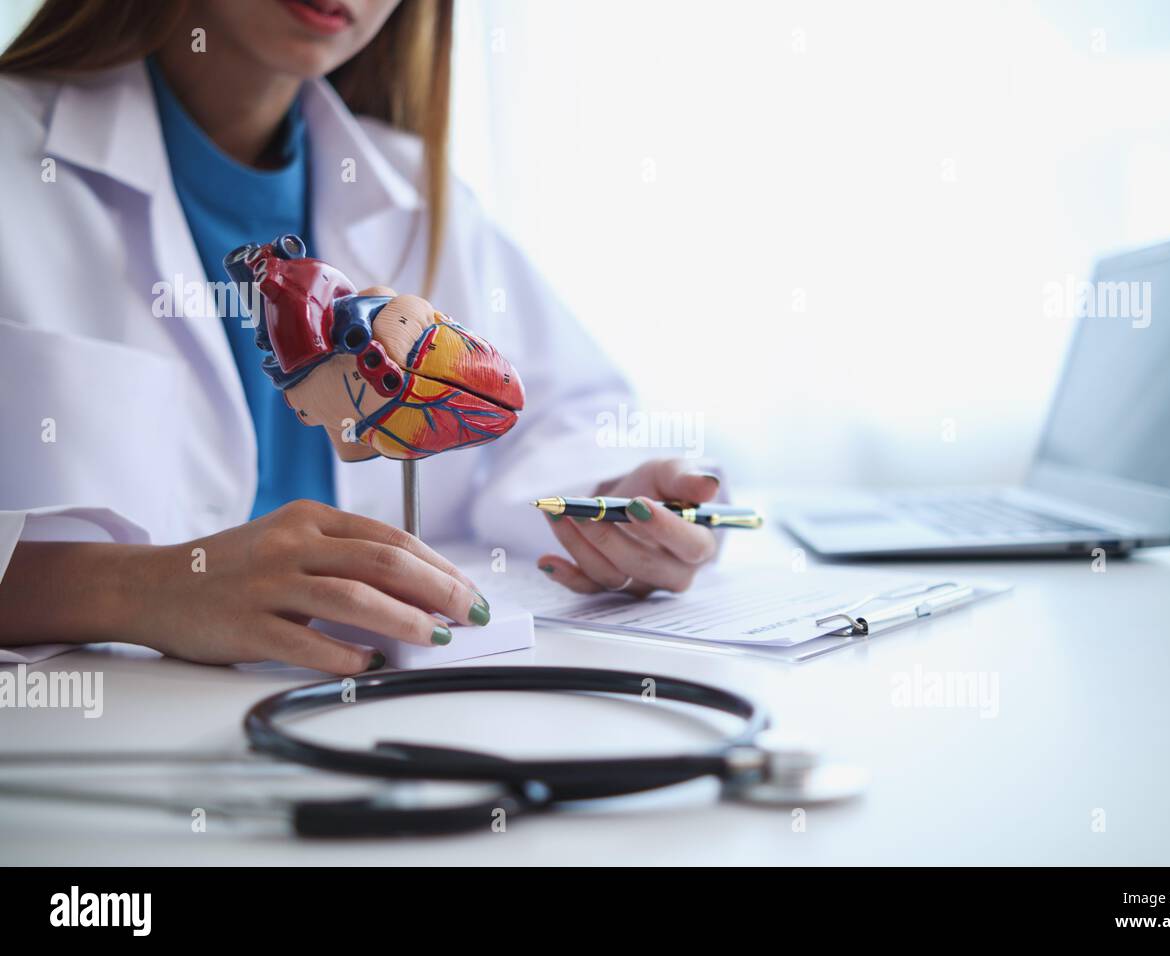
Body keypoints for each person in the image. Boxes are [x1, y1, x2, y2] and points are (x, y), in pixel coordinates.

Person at [0, 0, 722, 674]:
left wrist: (606, 505)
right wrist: (140, 590)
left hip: (385, 724)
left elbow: (564, 416)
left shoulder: (416, 190)